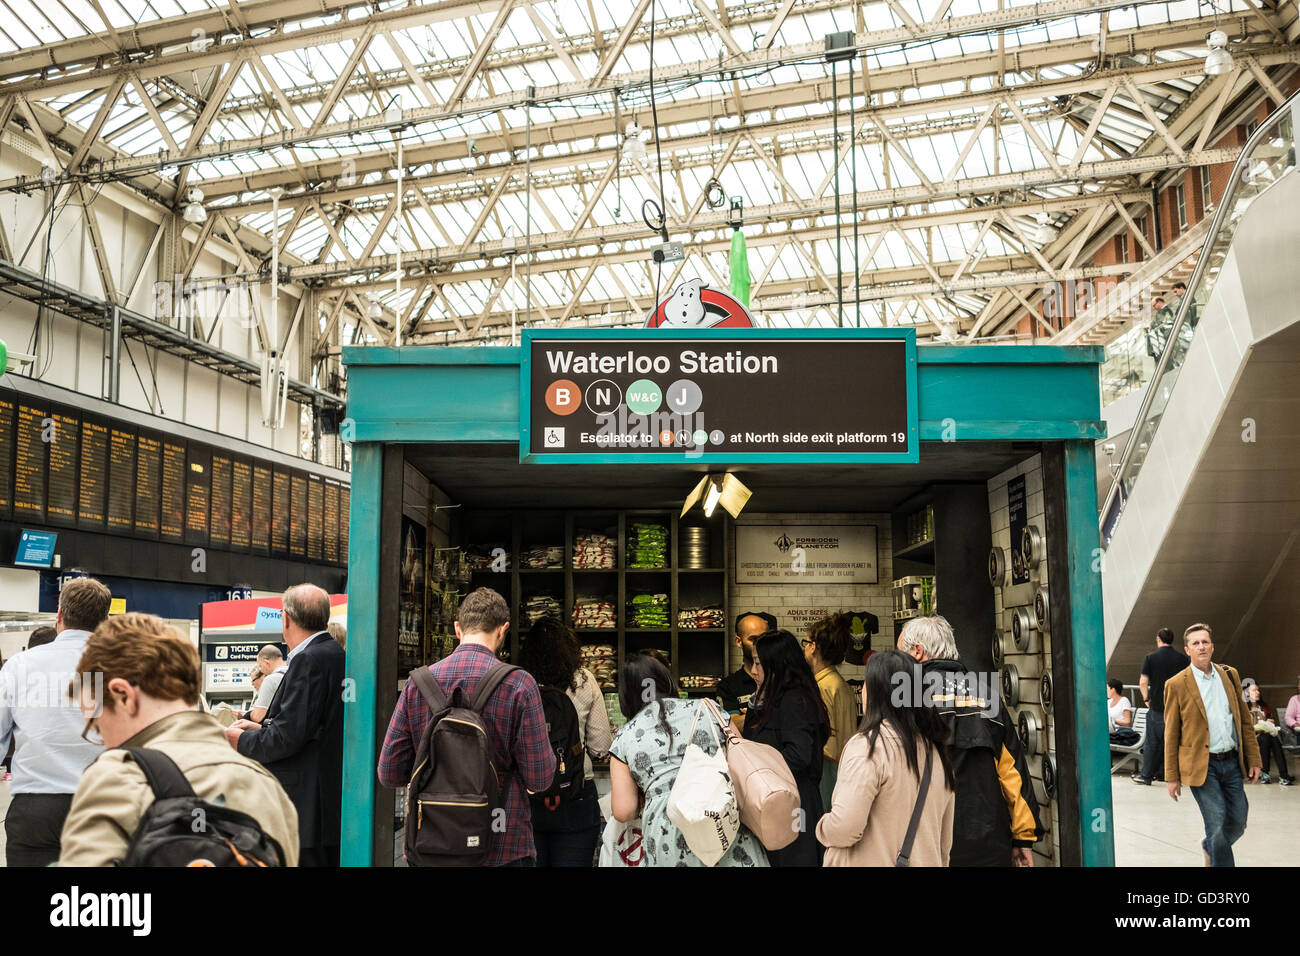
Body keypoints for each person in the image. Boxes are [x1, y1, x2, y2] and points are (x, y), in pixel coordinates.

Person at [58, 613, 300, 866]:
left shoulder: (118, 778)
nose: (102, 739)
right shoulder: (269, 789)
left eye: (96, 723)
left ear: (123, 695)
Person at [377, 587, 555, 866]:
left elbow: (389, 772)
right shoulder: (520, 684)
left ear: (457, 628)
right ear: (503, 630)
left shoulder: (418, 684)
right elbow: (540, 778)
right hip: (504, 848)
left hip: (433, 847)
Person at [897, 615, 1043, 866]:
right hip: (987, 844)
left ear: (917, 652)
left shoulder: (906, 698)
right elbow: (1013, 773)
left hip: (926, 842)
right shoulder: (986, 695)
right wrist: (1022, 839)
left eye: (900, 653)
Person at [608, 651, 767, 867]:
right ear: (666, 679)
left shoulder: (624, 736)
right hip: (720, 818)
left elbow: (623, 810)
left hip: (668, 833)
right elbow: (743, 761)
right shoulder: (708, 708)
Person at [225, 584, 345, 867]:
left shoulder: (308, 659)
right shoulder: (334, 653)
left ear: (286, 618)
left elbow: (288, 738)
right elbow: (309, 726)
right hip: (326, 803)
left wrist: (239, 741)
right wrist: (262, 729)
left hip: (306, 807)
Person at [0, 577, 112, 866]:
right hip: (105, 807)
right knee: (104, 909)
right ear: (106, 619)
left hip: (34, 810)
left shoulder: (19, 666)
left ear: (59, 615)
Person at [817, 649, 956, 866]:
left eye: (866, 683)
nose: (862, 690)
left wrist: (821, 827)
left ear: (877, 693)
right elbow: (944, 845)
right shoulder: (937, 753)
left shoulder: (868, 747)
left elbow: (845, 827)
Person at [1163, 623, 1262, 867]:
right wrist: (1171, 776)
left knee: (1238, 822)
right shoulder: (1175, 684)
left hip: (1230, 761)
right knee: (1216, 822)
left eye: (1205, 641)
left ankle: (1209, 846)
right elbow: (1171, 734)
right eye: (1195, 643)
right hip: (1201, 766)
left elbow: (1244, 721)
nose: (1201, 647)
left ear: (1213, 646)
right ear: (1187, 650)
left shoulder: (1230, 675)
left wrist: (1255, 759)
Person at [520, 617, 613, 866]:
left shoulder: (518, 681)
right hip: (576, 796)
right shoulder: (584, 681)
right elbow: (601, 746)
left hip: (528, 797)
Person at [744, 629, 830, 867]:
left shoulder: (794, 700)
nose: (753, 671)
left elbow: (799, 755)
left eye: (759, 664)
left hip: (794, 805)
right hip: (775, 802)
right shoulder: (768, 698)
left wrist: (756, 769)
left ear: (778, 665)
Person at [803, 613, 859, 809]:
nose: (804, 647)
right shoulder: (839, 684)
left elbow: (826, 739)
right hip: (844, 766)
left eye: (806, 642)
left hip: (827, 769)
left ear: (814, 647)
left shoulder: (821, 687)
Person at [1132, 627, 1186, 784]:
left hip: (1157, 707)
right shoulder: (1182, 659)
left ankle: (1146, 775)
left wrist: (1147, 699)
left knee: (1153, 743)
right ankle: (1169, 774)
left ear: (1158, 639)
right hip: (1177, 707)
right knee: (1174, 741)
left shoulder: (1151, 657)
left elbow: (1143, 682)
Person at [716, 611, 776, 728]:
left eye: (764, 638)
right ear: (739, 641)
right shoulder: (729, 686)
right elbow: (734, 726)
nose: (759, 644)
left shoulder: (780, 677)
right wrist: (774, 712)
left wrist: (750, 715)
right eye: (753, 639)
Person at [1242, 680, 1292, 786]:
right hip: (1250, 738)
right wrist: (1262, 724)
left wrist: (1268, 722)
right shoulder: (1243, 708)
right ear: (1246, 693)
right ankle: (1282, 775)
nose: (1258, 692)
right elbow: (1244, 726)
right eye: (1254, 690)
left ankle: (1273, 774)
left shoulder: (1263, 706)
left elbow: (1271, 720)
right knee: (1267, 738)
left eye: (1258, 690)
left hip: (1264, 736)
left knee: (1272, 739)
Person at [236, 645, 287, 723]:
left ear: (266, 662)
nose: (261, 670)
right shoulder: (293, 673)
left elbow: (258, 717)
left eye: (260, 665)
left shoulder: (270, 680)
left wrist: (245, 714)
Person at [1107, 678, 1137, 746]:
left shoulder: (1124, 701)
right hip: (1109, 730)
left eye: (1107, 688)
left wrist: (1114, 721)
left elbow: (1127, 722)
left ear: (1113, 689)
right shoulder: (1108, 702)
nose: (1106, 691)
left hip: (1119, 732)